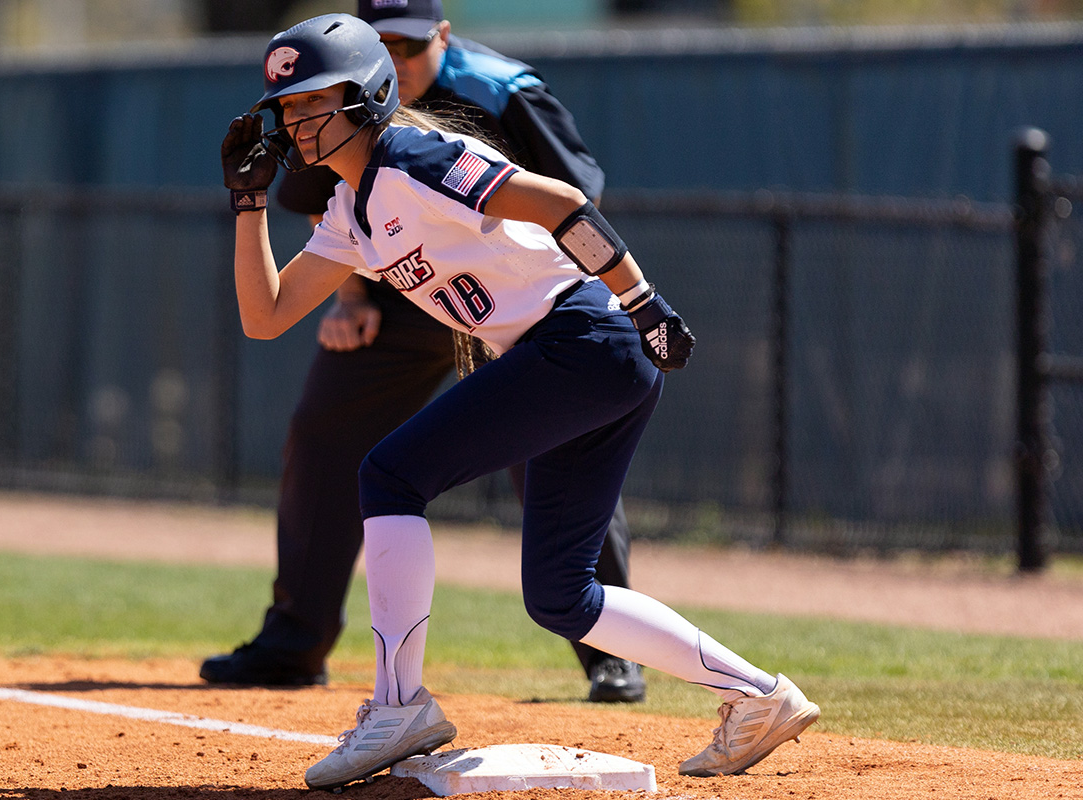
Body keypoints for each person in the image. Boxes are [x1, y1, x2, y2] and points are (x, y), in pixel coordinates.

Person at [222, 13, 821, 789]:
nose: (298, 121)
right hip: (580, 357)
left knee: (389, 475)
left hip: (584, 340)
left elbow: (559, 200)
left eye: (315, 100)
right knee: (562, 596)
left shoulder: (414, 155)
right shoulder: (352, 208)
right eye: (288, 107)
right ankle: (759, 697)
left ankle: (399, 705)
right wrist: (247, 207)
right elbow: (265, 316)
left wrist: (643, 302)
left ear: (370, 92)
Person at [200, 0, 646, 704]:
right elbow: (324, 226)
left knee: (552, 455)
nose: (395, 59)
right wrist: (342, 294)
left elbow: (572, 198)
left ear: (443, 35)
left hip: (521, 300)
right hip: (403, 294)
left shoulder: (498, 92)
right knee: (327, 433)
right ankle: (297, 639)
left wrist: (626, 301)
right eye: (380, 43)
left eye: (407, 46)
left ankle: (609, 649)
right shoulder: (331, 109)